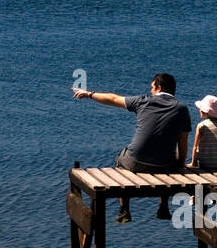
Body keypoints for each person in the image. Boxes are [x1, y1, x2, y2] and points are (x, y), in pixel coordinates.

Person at [72, 73, 191, 222]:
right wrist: (179, 166)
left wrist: (90, 94)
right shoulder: (182, 109)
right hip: (164, 165)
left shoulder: (143, 101)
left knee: (122, 157)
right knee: (169, 155)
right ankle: (163, 208)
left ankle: (124, 210)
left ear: (159, 88)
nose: (151, 91)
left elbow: (113, 99)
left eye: (152, 88)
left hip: (136, 162)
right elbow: (183, 143)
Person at [189, 95, 217, 171]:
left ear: (205, 111)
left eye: (200, 109)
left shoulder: (202, 125)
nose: (199, 110)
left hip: (207, 165)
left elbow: (195, 147)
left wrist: (193, 163)